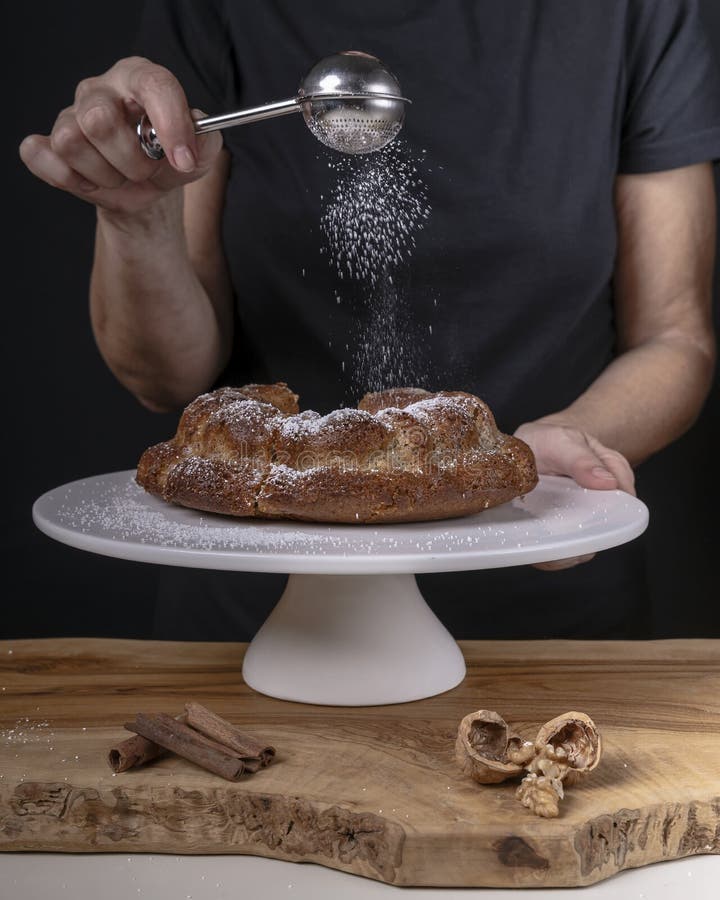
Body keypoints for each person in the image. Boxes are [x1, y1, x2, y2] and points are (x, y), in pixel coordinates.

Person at [19, 0, 720, 640]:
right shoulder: (216, 13)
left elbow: (674, 336)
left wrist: (567, 443)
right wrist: (137, 215)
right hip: (256, 622)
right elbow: (164, 379)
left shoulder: (634, 15)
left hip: (547, 614)